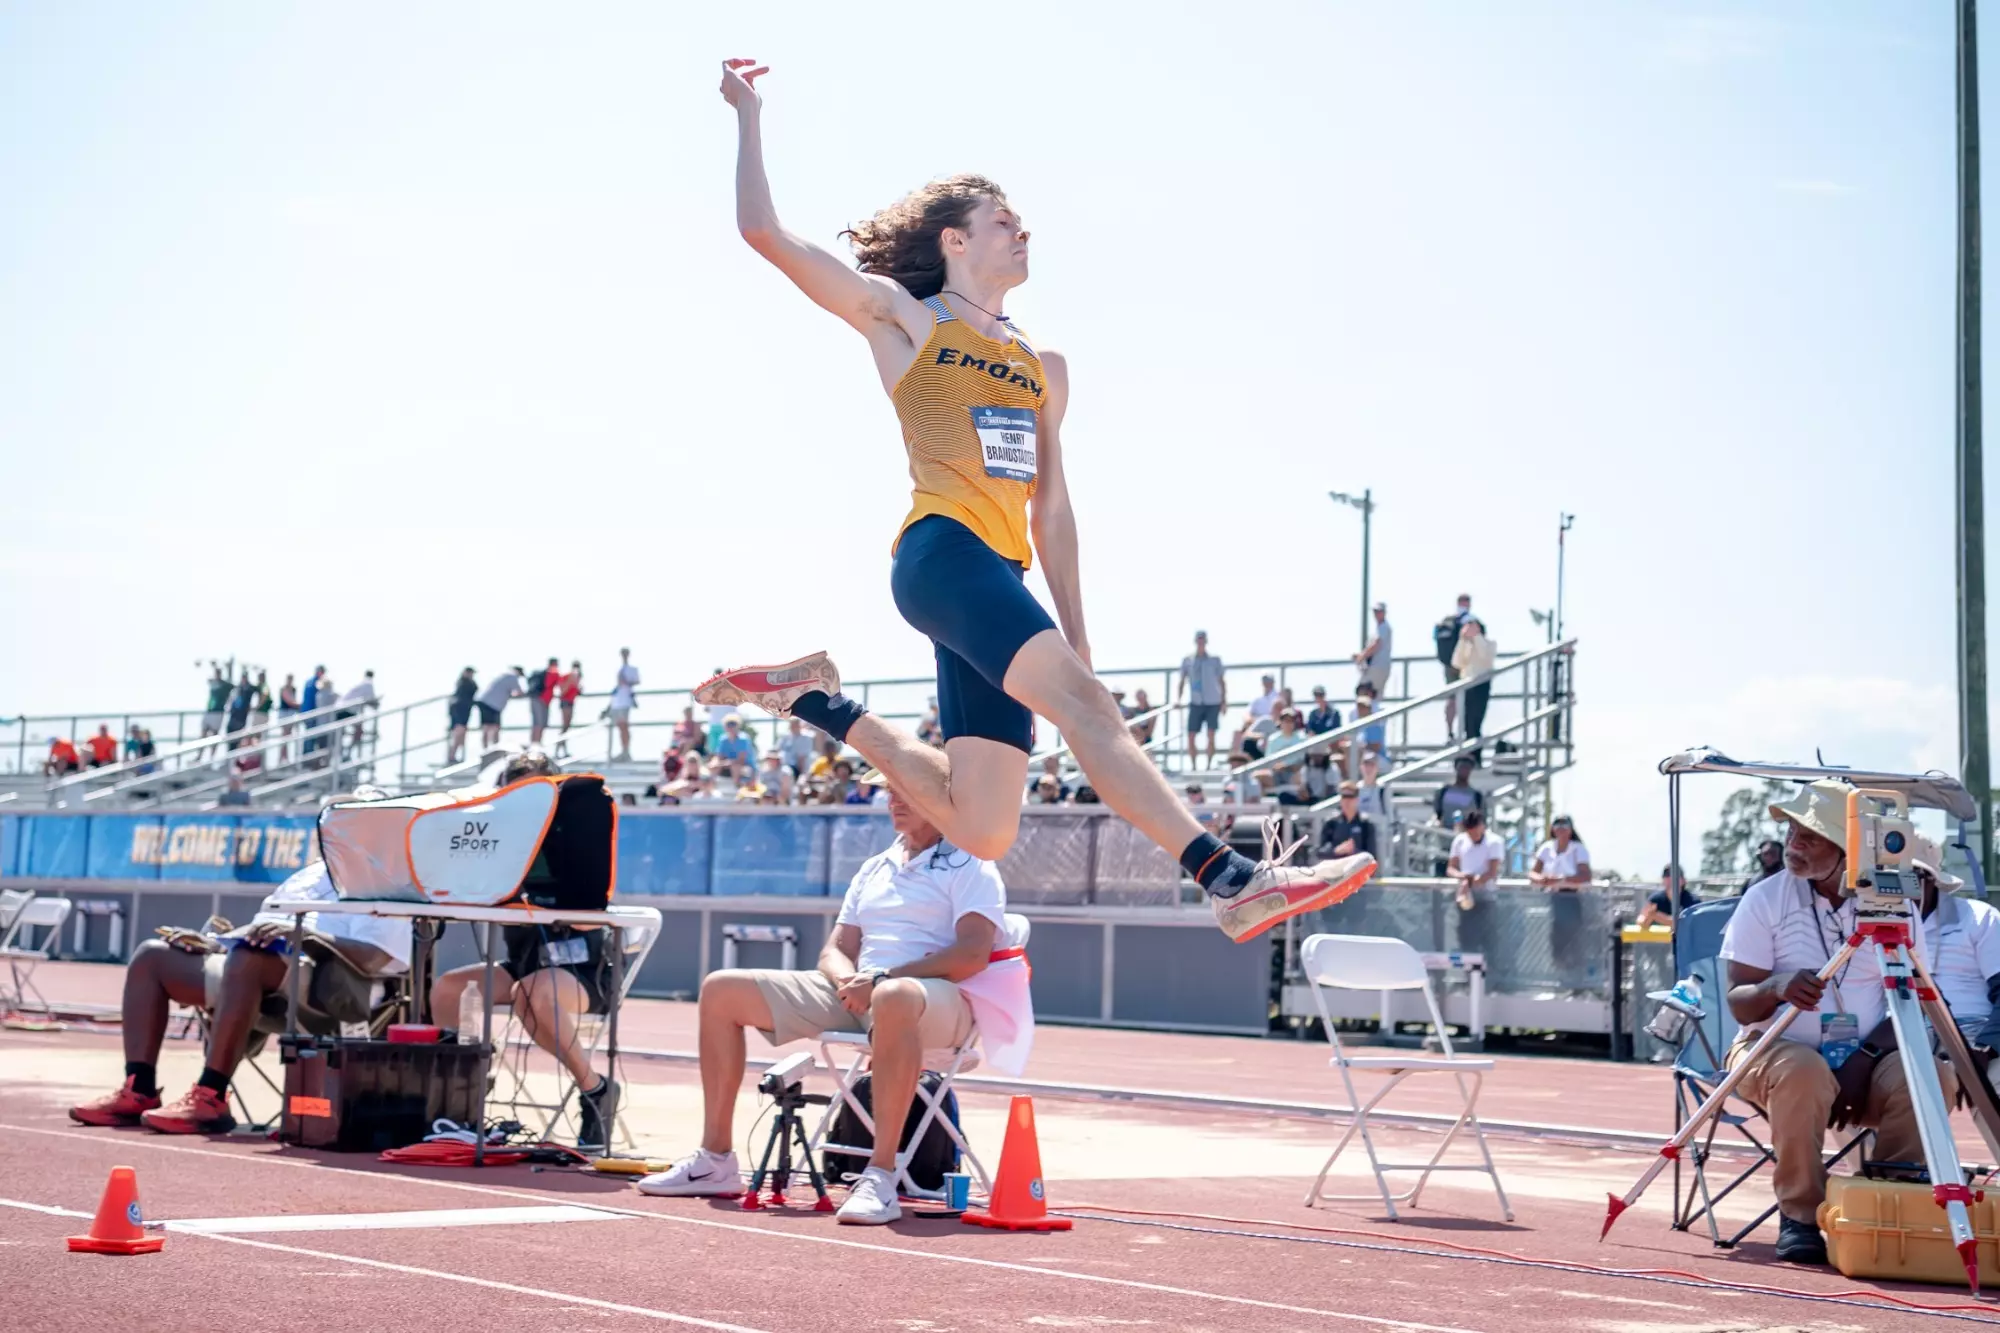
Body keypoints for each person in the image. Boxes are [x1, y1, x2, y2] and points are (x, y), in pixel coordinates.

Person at [694, 59, 1371, 945]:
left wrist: (1077, 633)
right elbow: (763, 231)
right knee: (1087, 715)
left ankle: (819, 701)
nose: (1022, 231)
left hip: (1000, 574)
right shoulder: (906, 318)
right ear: (954, 240)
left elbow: (1053, 511)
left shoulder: (1041, 366)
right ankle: (1230, 876)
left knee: (983, 826)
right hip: (942, 556)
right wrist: (748, 116)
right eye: (1002, 221)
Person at [636, 768, 1024, 1225]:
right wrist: (849, 981)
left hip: (937, 1003)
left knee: (894, 995)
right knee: (722, 989)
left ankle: (880, 1176)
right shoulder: (875, 867)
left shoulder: (972, 863)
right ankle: (716, 1160)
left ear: (941, 799)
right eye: (889, 791)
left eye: (906, 790)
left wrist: (880, 979)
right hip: (866, 994)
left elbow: (972, 954)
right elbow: (835, 950)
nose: (893, 799)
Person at [1718, 780, 1942, 1266]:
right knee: (1805, 1071)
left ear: (1848, 850)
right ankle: (1800, 1216)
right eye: (1793, 831)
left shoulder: (1894, 904)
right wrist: (1776, 987)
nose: (1794, 844)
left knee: (1930, 1073)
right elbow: (1739, 1004)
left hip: (1869, 1061)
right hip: (1768, 1054)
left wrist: (1864, 1058)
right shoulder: (1764, 899)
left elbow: (1914, 1001)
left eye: (1811, 836)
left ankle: (1885, 1203)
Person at [69, 836, 410, 1135]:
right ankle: (139, 1089)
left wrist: (306, 936)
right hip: (262, 964)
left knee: (249, 958)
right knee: (152, 957)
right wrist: (219, 945)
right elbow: (264, 929)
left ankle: (211, 1096)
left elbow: (377, 956)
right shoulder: (310, 874)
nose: (334, 833)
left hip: (335, 984)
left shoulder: (385, 881)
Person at [430, 752, 621, 1151]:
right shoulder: (498, 842)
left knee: (530, 993)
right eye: (516, 794)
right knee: (449, 989)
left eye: (536, 792)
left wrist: (553, 910)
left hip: (584, 971)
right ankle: (465, 1092)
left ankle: (595, 1090)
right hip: (524, 965)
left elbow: (591, 920)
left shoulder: (578, 836)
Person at [1177, 630, 1227, 769]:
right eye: (1199, 639)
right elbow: (1182, 681)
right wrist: (1178, 699)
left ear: (1206, 641)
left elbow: (1221, 681)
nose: (1201, 642)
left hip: (1213, 702)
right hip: (1196, 702)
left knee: (1211, 735)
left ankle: (1209, 765)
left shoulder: (1215, 660)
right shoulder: (1188, 660)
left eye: (1203, 639)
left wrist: (1224, 701)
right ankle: (1193, 766)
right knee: (1191, 735)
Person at [1451, 619, 1497, 765]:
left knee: (1476, 721)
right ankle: (1470, 755)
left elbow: (1485, 657)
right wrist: (1462, 639)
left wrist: (1476, 636)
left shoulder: (1490, 644)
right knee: (1467, 723)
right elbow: (1457, 662)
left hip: (1481, 685)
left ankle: (1476, 756)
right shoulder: (1467, 645)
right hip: (1467, 685)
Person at [1447, 808, 1503, 911]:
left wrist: (1474, 880)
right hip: (1465, 895)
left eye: (1475, 833)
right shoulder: (1459, 840)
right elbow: (1450, 868)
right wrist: (1463, 876)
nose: (1473, 837)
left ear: (1482, 827)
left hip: (1487, 896)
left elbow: (1493, 872)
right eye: (1470, 834)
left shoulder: (1494, 842)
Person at [1434, 594, 1473, 738]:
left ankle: (1450, 732)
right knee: (1467, 698)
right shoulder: (1468, 620)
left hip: (1449, 664)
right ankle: (1467, 731)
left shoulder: (1447, 620)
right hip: (1465, 664)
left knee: (1451, 699)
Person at [1527, 815, 1591, 889]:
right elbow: (1533, 873)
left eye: (1565, 825)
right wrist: (1542, 879)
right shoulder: (1546, 847)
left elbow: (1585, 876)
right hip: (1548, 893)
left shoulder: (1579, 848)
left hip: (1572, 894)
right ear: (1552, 829)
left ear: (1571, 829)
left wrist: (1561, 879)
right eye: (1557, 825)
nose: (1560, 828)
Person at [1318, 781, 1377, 860]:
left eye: (1350, 797)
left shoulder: (1365, 824)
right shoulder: (1331, 823)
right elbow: (1321, 852)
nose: (1347, 801)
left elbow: (1371, 855)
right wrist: (1336, 851)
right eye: (1344, 797)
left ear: (1357, 799)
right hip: (1337, 865)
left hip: (1357, 865)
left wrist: (1353, 851)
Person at [478, 666, 524, 748]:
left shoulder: (503, 675)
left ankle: (489, 749)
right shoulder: (513, 677)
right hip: (492, 705)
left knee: (490, 728)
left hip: (490, 703)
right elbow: (519, 692)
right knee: (491, 728)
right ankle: (491, 749)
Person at [1433, 755, 1484, 830]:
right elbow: (1437, 814)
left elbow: (1480, 818)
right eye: (1461, 767)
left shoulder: (1476, 795)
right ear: (1456, 768)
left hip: (1466, 834)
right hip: (1444, 832)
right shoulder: (1443, 791)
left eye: (1467, 768)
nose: (1464, 770)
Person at [1355, 602, 1393, 698]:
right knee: (1372, 696)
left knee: (1364, 691)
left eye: (1379, 611)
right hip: (1375, 666)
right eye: (1375, 611)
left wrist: (1362, 656)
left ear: (1384, 613)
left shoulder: (1384, 627)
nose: (1377, 614)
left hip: (1378, 666)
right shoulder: (1378, 628)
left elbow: (1376, 644)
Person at [610, 648, 641, 761]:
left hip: (625, 701)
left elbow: (637, 681)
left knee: (624, 726)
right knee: (620, 727)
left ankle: (626, 751)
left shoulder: (632, 669)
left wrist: (626, 681)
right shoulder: (619, 668)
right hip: (617, 701)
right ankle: (624, 751)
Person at [447, 667, 478, 764]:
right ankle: (452, 756)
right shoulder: (463, 683)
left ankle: (454, 755)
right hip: (460, 709)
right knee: (459, 732)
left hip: (464, 709)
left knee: (461, 733)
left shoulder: (466, 682)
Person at [712, 715, 757, 780]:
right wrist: (715, 763)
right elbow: (719, 757)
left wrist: (727, 763)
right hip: (727, 765)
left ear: (738, 726)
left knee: (736, 767)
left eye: (733, 724)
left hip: (747, 767)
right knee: (713, 766)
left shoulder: (743, 739)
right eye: (728, 724)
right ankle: (711, 785)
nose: (731, 726)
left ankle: (736, 785)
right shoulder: (723, 739)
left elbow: (741, 760)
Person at [529, 657, 561, 744]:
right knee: (539, 724)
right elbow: (561, 685)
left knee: (538, 724)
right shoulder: (554, 673)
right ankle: (535, 745)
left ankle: (535, 744)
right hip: (541, 700)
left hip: (538, 699)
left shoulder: (546, 673)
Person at [201, 664, 230, 741]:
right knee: (203, 732)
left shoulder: (225, 685)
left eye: (218, 673)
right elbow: (208, 680)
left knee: (215, 734)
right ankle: (201, 749)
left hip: (218, 711)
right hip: (209, 710)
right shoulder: (212, 682)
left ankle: (213, 749)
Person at [276, 672, 300, 764]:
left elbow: (293, 701)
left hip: (291, 713)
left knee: (287, 736)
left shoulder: (294, 689)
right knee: (285, 736)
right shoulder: (283, 689)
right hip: (284, 713)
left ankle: (284, 758)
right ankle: (281, 758)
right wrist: (302, 705)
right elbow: (289, 701)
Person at [558, 660, 584, 735]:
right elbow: (562, 691)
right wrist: (571, 680)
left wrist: (579, 687)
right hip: (565, 701)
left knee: (568, 724)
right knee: (565, 724)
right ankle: (561, 740)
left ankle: (562, 740)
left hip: (571, 701)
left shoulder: (578, 677)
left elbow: (577, 691)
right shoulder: (566, 676)